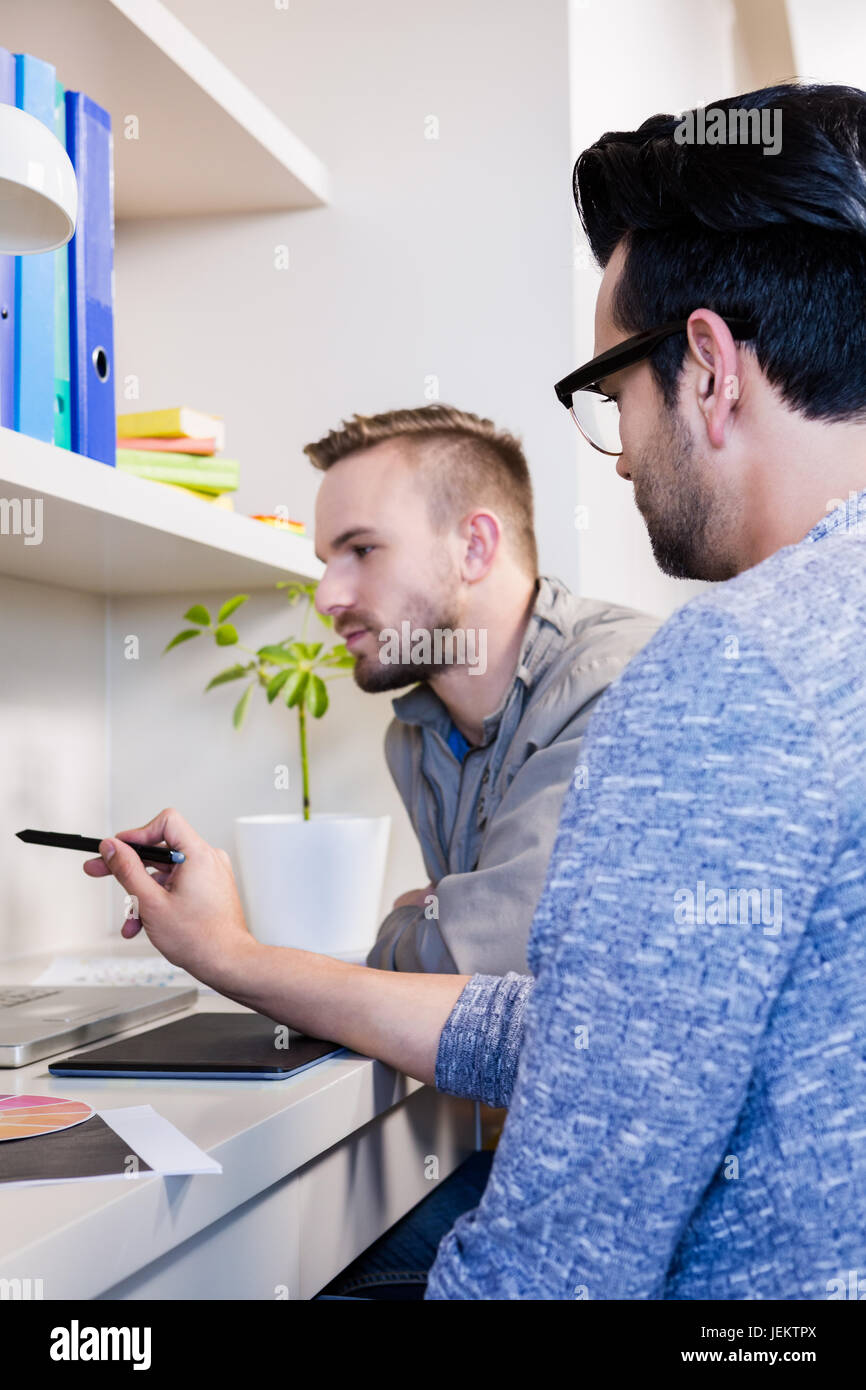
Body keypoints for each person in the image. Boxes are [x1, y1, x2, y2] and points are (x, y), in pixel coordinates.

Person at [86, 81, 866, 1299]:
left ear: (706, 366)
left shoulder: (726, 673)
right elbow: (588, 1034)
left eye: (613, 392)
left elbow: (554, 1266)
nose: (617, 452)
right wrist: (237, 957)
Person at [304, 404, 659, 974]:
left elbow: (493, 969)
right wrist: (439, 926)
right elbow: (466, 990)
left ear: (474, 547)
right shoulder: (413, 739)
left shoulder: (620, 686)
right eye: (326, 561)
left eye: (362, 550)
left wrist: (413, 927)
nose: (327, 597)